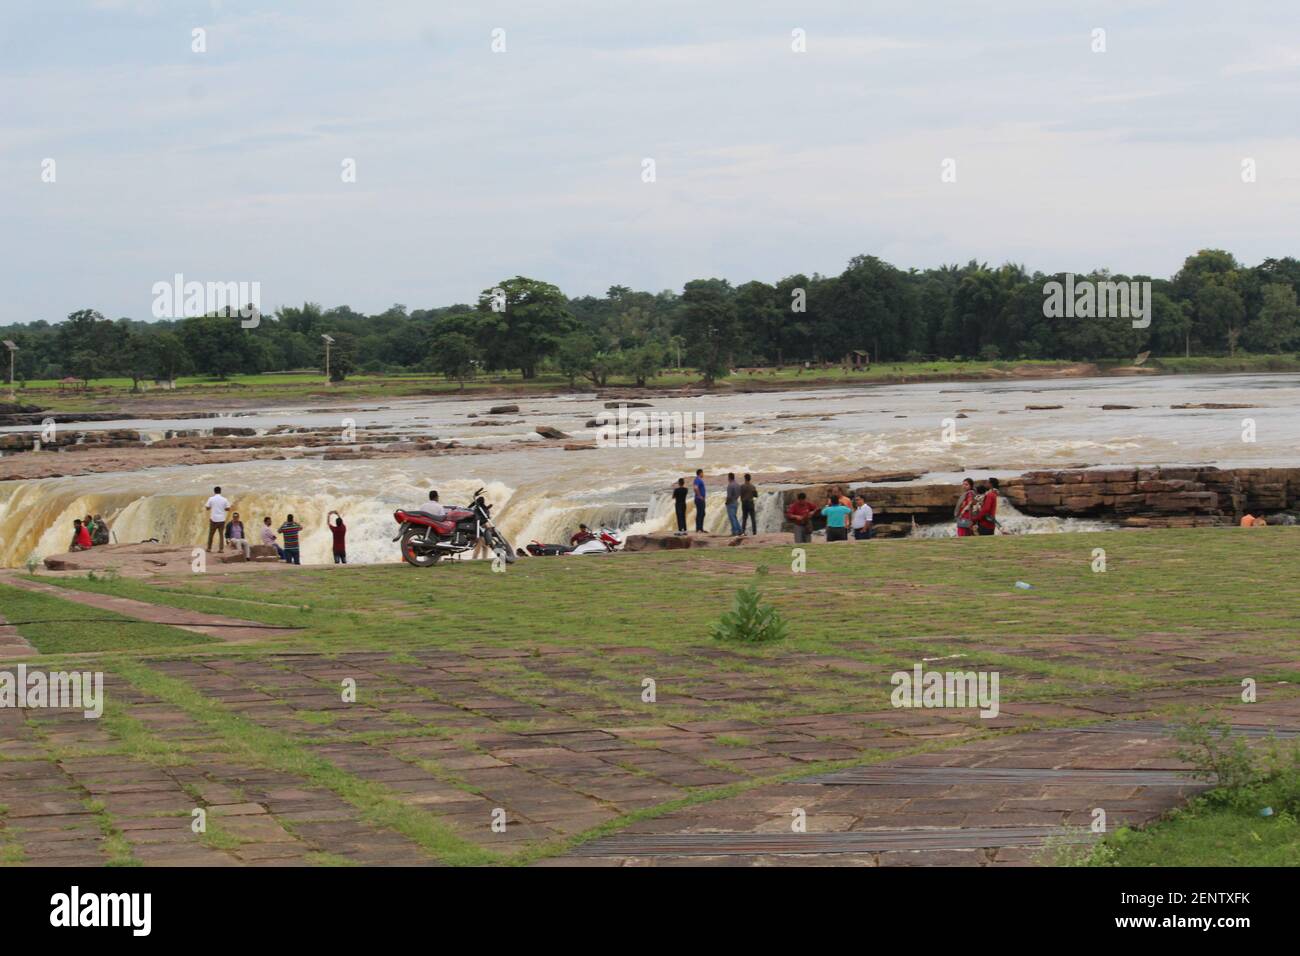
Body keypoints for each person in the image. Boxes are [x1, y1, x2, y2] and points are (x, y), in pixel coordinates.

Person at [205, 486, 231, 552]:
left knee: (211, 534)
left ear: (214, 491)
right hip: (222, 519)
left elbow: (207, 508)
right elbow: (228, 508)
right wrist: (223, 509)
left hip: (213, 519)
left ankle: (209, 548)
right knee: (221, 535)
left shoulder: (211, 498)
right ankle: (221, 549)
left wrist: (212, 507)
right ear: (220, 491)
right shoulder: (224, 499)